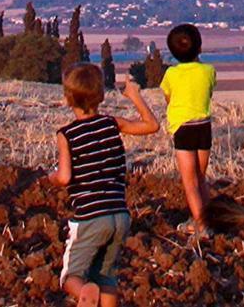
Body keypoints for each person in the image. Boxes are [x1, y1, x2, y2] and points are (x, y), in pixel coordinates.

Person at [47, 64, 159, 307]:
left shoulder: (67, 134)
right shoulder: (112, 123)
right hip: (119, 215)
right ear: (100, 96)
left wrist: (51, 178)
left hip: (90, 217)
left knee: (71, 277)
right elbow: (151, 125)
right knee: (106, 276)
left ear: (68, 99)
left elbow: (65, 177)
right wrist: (135, 95)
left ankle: (85, 293)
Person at [160, 23, 217, 235]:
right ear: (200, 48)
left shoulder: (171, 74)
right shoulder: (209, 71)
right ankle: (206, 219)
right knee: (201, 177)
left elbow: (168, 97)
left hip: (183, 128)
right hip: (204, 126)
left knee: (190, 182)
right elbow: (209, 92)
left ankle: (201, 226)